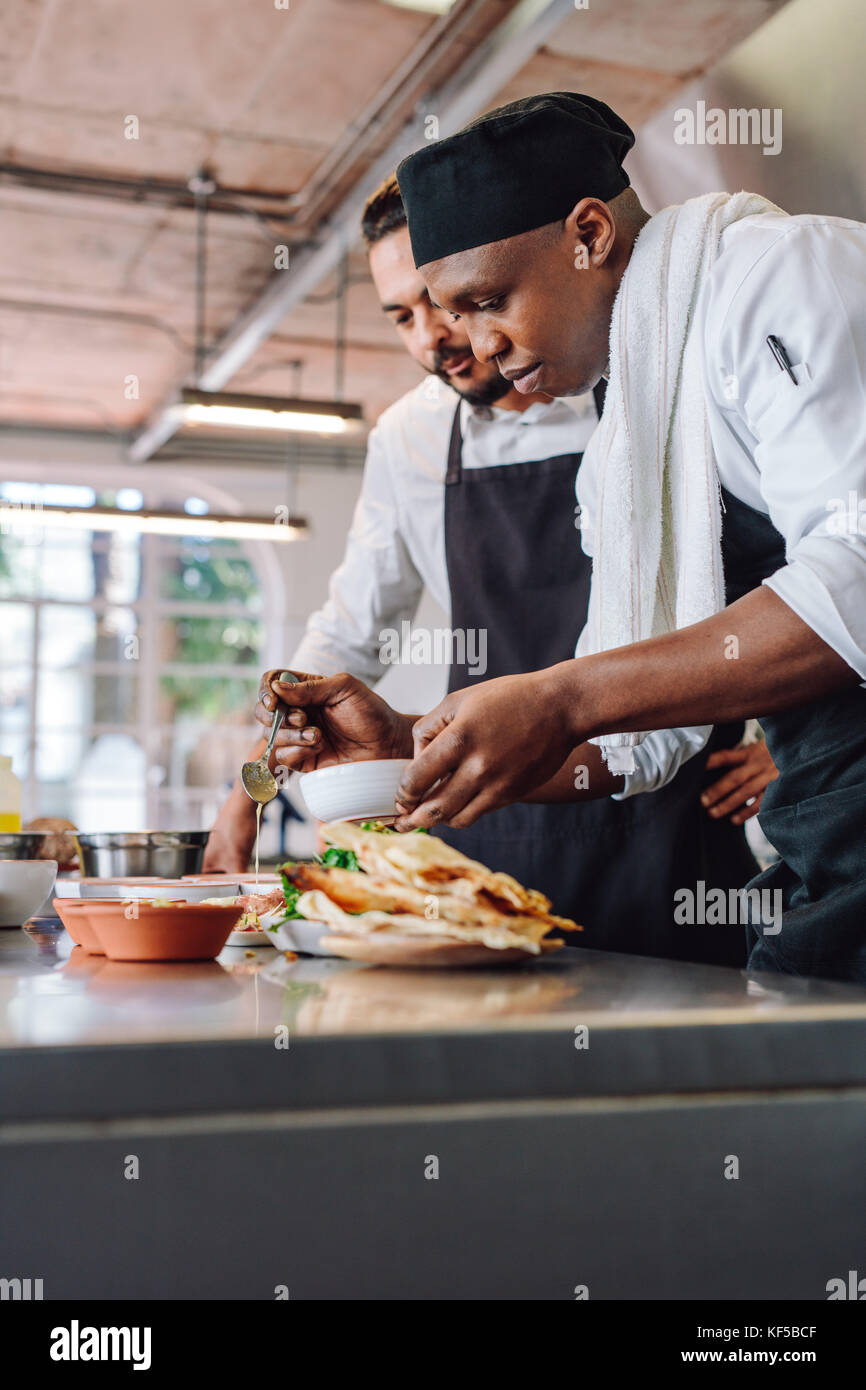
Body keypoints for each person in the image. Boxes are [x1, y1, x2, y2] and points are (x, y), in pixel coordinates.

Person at [357, 90, 865, 984]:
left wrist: (562, 696)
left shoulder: (780, 272)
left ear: (588, 234)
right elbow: (632, 746)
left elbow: (856, 571)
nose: (477, 344)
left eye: (486, 300)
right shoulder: (628, 440)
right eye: (449, 314)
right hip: (832, 838)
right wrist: (411, 744)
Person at [215, 174, 777, 966]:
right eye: (401, 317)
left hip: (672, 812)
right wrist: (246, 789)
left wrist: (789, 739)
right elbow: (352, 624)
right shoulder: (409, 438)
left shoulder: (648, 392)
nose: (430, 340)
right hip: (486, 817)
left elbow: (810, 572)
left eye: (443, 303)